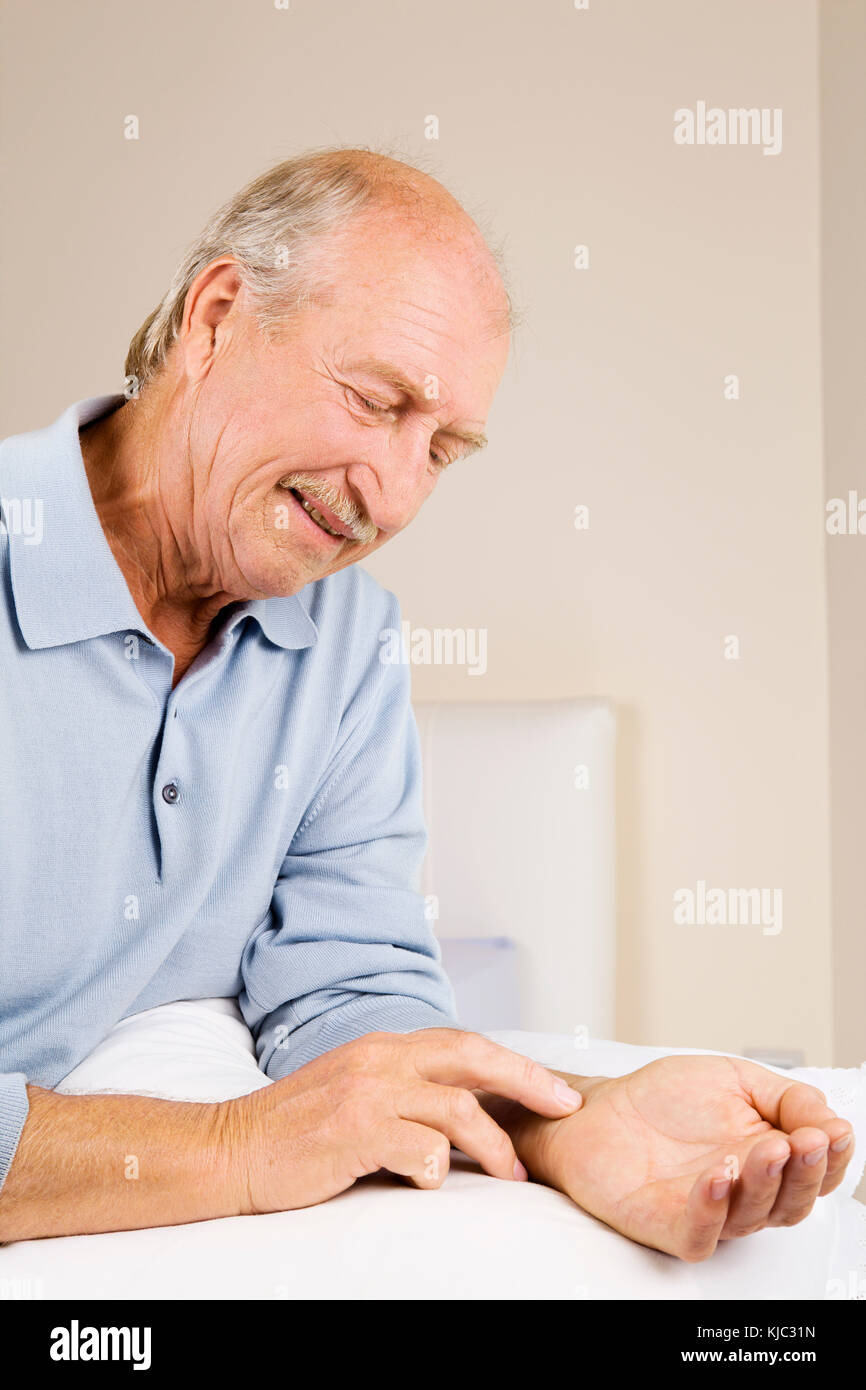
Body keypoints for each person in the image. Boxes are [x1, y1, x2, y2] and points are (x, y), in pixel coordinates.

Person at [0, 149, 853, 1260]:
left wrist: (564, 1120)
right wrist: (238, 1148)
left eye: (441, 449)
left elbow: (346, 996)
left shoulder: (344, 639)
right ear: (215, 317)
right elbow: (273, 1128)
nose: (394, 495)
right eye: (374, 400)